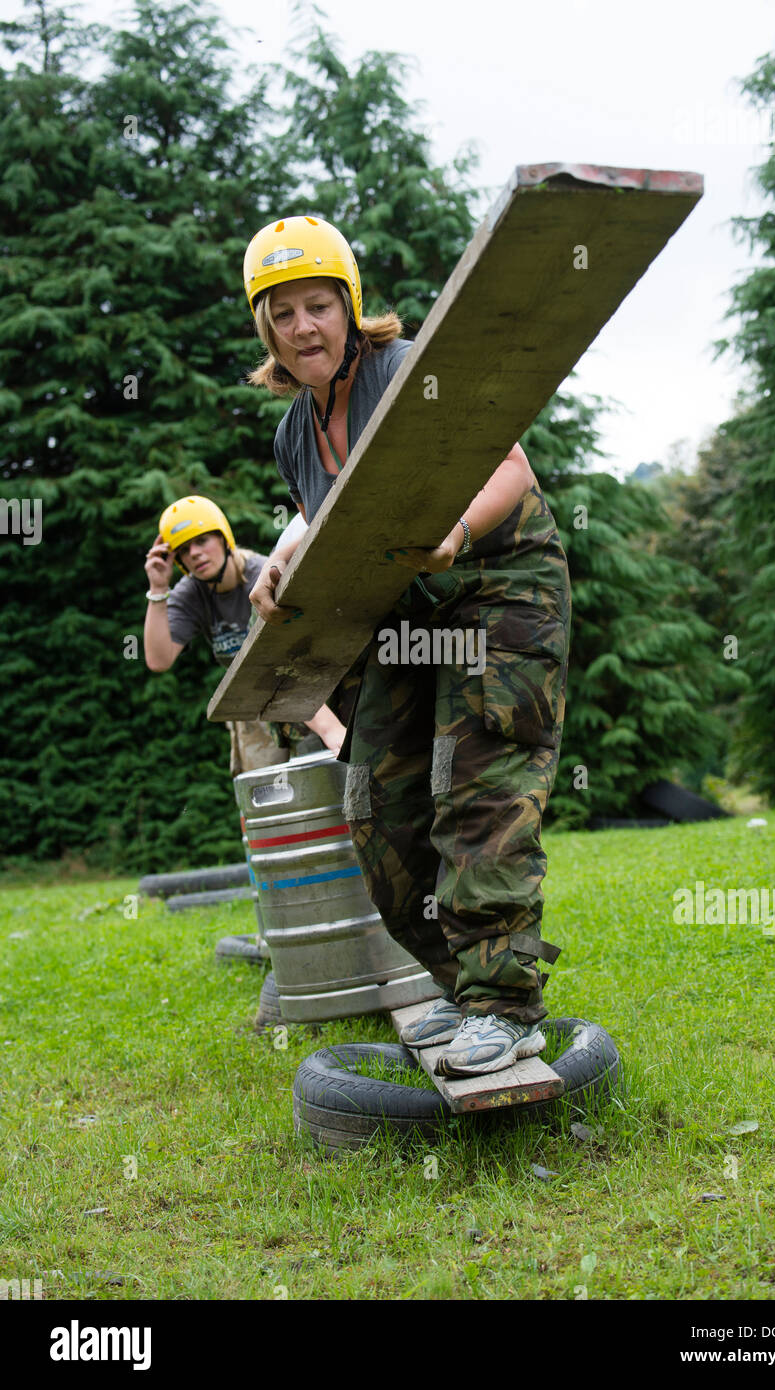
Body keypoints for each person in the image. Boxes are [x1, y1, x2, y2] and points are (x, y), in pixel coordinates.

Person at [244, 216, 570, 1078]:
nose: (304, 327)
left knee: (475, 786)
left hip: (500, 588)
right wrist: (281, 564)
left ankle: (505, 1005)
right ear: (264, 327)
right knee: (376, 807)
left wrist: (456, 530)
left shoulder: (403, 370)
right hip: (411, 615)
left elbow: (513, 468)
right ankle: (462, 992)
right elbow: (325, 521)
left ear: (349, 308)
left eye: (319, 305)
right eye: (283, 313)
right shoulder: (291, 435)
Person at [143, 494, 345, 773]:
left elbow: (286, 661)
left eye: (202, 541)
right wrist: (157, 590)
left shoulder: (263, 576)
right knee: (263, 797)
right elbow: (159, 660)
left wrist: (331, 729)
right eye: (184, 550)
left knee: (325, 779)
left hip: (309, 693)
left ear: (224, 538)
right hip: (254, 709)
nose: (195, 554)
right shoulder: (191, 593)